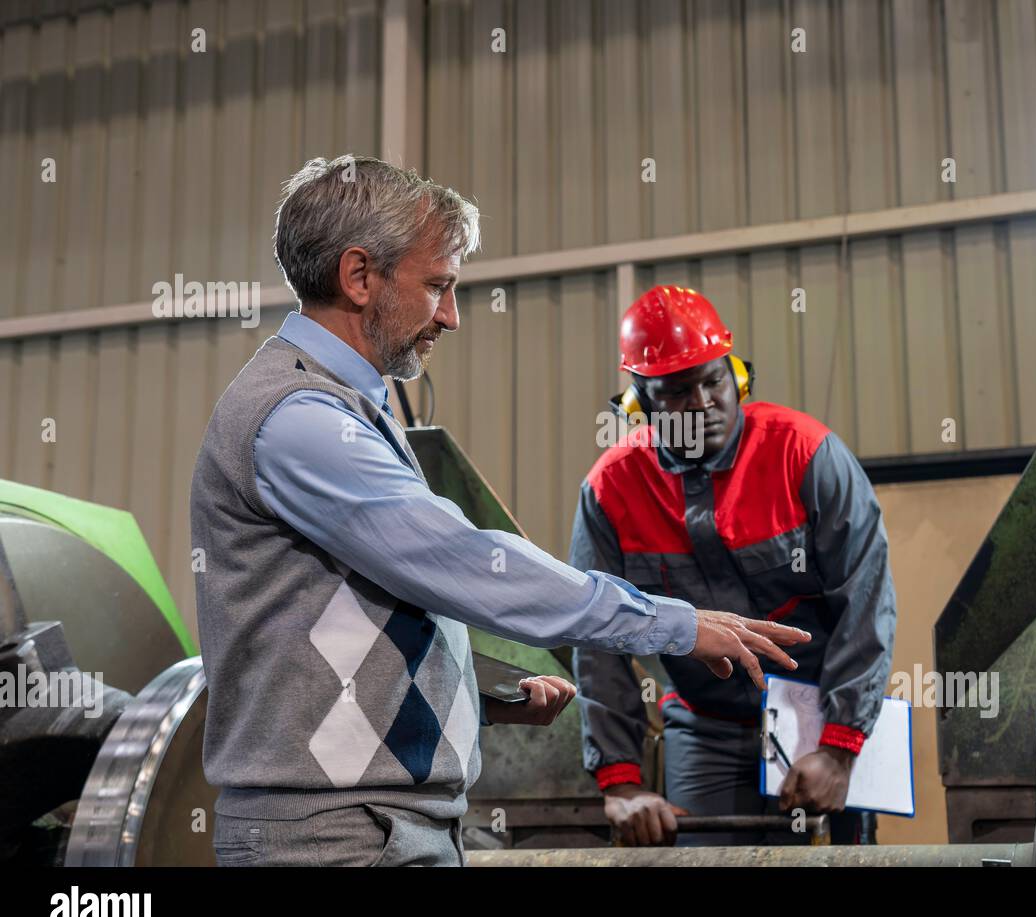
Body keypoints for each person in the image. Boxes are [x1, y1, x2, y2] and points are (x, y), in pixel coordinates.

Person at [190, 157, 809, 867]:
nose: (450, 316)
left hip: (376, 826)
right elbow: (462, 562)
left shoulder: (345, 406)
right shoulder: (298, 418)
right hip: (334, 836)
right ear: (359, 277)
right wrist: (674, 624)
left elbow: (341, 623)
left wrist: (483, 697)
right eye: (438, 286)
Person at [571, 285, 896, 847]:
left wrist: (842, 745)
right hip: (706, 722)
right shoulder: (611, 490)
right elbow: (597, 638)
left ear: (737, 377)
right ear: (640, 405)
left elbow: (865, 604)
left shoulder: (806, 455)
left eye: (713, 380)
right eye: (676, 391)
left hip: (821, 715)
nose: (701, 402)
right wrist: (620, 781)